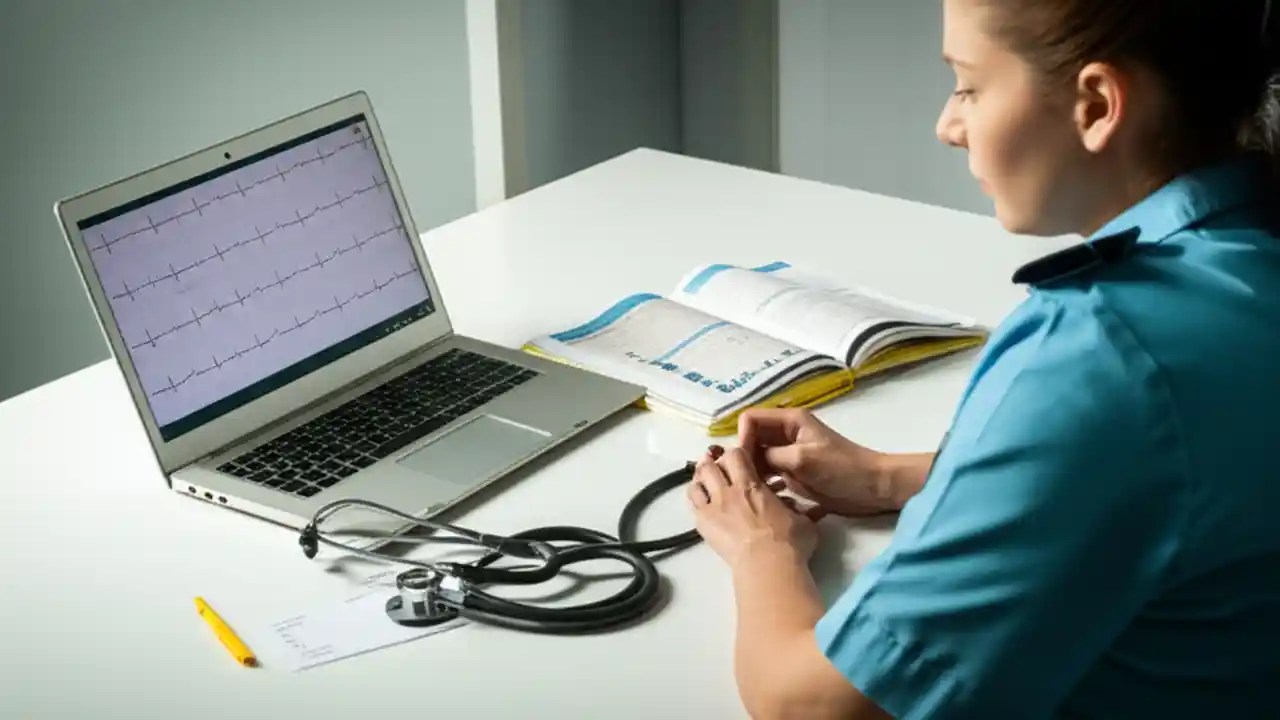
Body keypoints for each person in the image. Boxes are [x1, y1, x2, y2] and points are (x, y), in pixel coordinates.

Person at [686, 0, 1280, 718]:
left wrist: (761, 550)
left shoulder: (1100, 355)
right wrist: (889, 477)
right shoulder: (1249, 254)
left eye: (968, 86)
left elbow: (815, 706)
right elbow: (1192, 475)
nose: (948, 126)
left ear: (1096, 104)